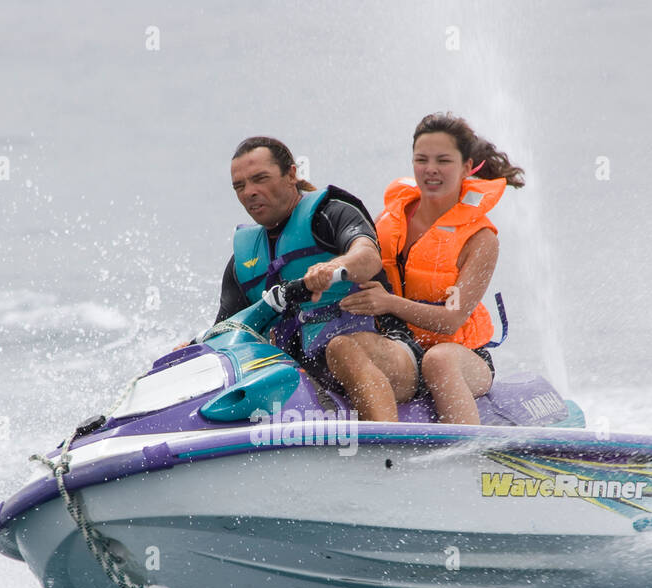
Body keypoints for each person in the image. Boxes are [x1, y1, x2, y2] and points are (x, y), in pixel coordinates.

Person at [335, 114, 525, 425]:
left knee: (439, 360)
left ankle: (464, 456)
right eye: (421, 159)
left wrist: (388, 303)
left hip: (462, 356)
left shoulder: (481, 238)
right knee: (341, 345)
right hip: (401, 348)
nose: (431, 169)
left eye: (443, 160)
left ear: (466, 167)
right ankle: (374, 452)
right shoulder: (389, 219)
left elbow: (452, 320)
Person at [212, 137, 420, 381]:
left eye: (260, 179)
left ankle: (381, 420)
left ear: (291, 175)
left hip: (388, 355)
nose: (249, 192)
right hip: (307, 378)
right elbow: (227, 331)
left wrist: (334, 266)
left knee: (341, 349)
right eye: (239, 186)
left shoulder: (331, 214)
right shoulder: (243, 261)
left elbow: (367, 256)